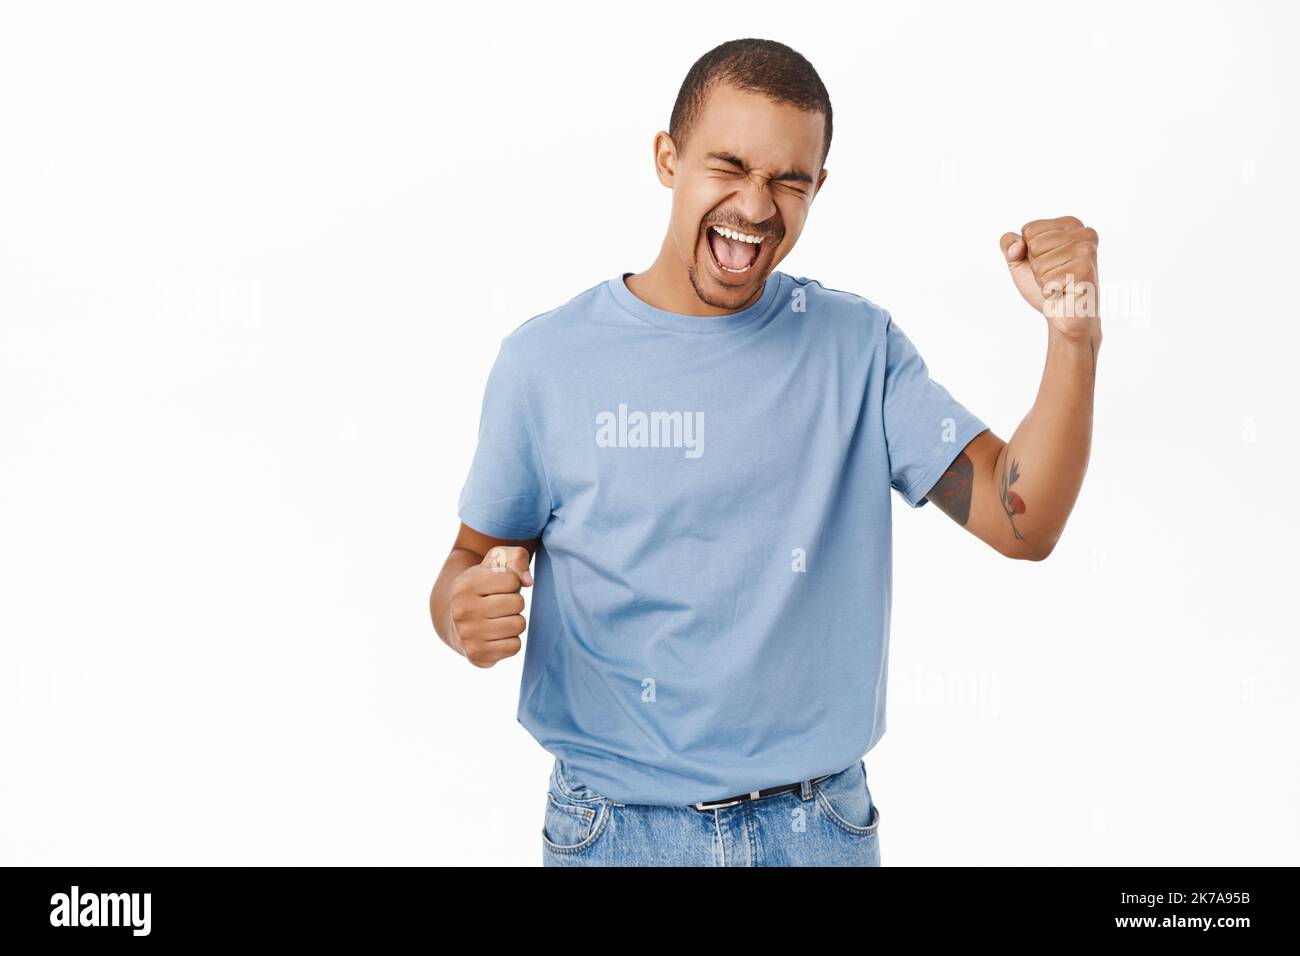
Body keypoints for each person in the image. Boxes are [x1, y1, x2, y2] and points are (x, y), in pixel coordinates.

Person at [428, 38, 1100, 867]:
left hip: (818, 831)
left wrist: (1073, 338)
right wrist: (465, 614)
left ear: (819, 187)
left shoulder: (857, 349)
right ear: (667, 159)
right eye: (729, 165)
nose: (756, 205)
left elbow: (1019, 522)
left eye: (790, 179)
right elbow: (467, 562)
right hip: (616, 832)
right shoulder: (546, 363)